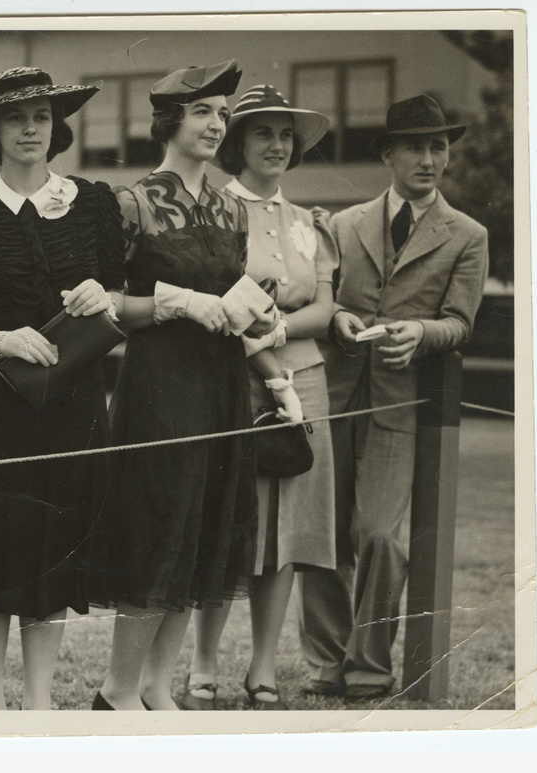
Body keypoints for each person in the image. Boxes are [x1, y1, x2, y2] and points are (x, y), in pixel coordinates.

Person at [0, 67, 125, 710]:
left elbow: (122, 297)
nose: (31, 128)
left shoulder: (95, 202)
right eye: (15, 118)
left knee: (51, 552)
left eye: (41, 116)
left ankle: (39, 703)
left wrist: (104, 294)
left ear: (56, 125)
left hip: (74, 406)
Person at [93, 61, 278, 711]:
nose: (216, 123)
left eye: (222, 113)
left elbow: (239, 295)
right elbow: (103, 304)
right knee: (159, 524)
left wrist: (259, 314)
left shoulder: (232, 208)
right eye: (203, 111)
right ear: (170, 120)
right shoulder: (132, 202)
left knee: (207, 524)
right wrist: (174, 302)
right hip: (160, 385)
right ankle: (117, 687)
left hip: (223, 382)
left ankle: (156, 684)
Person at [298, 94, 488, 702]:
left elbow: (459, 321)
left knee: (379, 535)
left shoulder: (468, 236)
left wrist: (423, 333)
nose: (429, 158)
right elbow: (323, 304)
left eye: (438, 147)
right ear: (389, 154)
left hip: (399, 405)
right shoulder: (341, 224)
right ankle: (328, 665)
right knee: (322, 537)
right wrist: (340, 321)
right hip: (334, 395)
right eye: (415, 146)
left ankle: (369, 667)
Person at [183, 85, 338, 710]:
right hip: (234, 378)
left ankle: (265, 667)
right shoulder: (213, 211)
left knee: (289, 529)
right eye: (262, 134)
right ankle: (201, 664)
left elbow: (325, 308)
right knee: (229, 517)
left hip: (305, 381)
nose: (276, 146)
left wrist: (280, 329)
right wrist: (259, 336)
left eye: (285, 136)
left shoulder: (310, 223)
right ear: (237, 144)